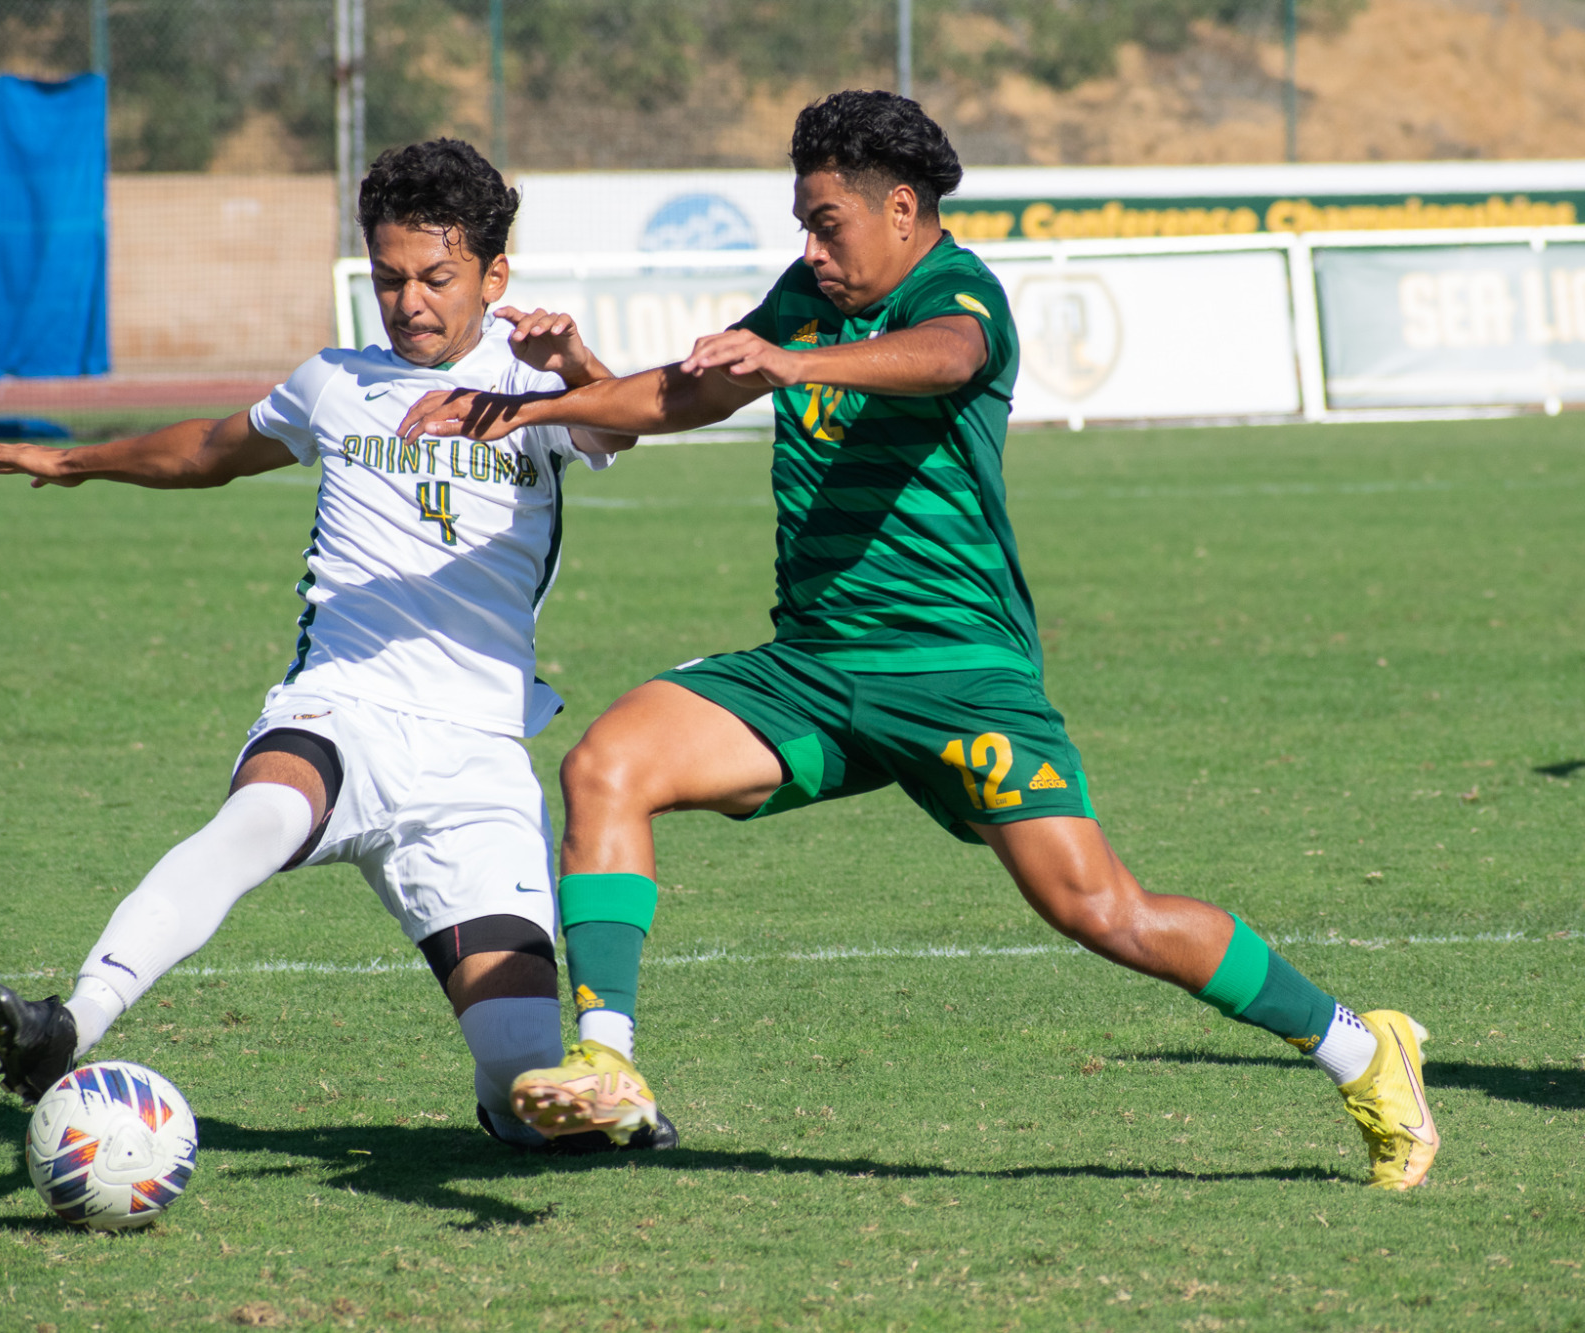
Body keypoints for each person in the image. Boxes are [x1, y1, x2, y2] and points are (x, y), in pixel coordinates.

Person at [397, 93, 1439, 1189]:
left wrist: (795, 365)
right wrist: (528, 407)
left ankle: (1362, 1049)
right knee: (609, 764)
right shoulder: (807, 298)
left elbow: (947, 357)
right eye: (803, 226)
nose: (811, 250)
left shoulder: (958, 294)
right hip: (812, 667)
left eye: (827, 224)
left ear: (901, 209)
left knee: (1102, 910)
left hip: (956, 675)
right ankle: (608, 1062)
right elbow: (690, 391)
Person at [0, 138, 673, 1153]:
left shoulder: (540, 388)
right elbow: (211, 448)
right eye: (388, 278)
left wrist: (574, 369)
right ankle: (67, 1024)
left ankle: (525, 1101)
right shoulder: (331, 382)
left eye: (435, 278)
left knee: (523, 1078)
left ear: (494, 276)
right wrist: (75, 461)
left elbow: (624, 427)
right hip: (339, 705)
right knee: (257, 818)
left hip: (476, 757)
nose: (408, 302)